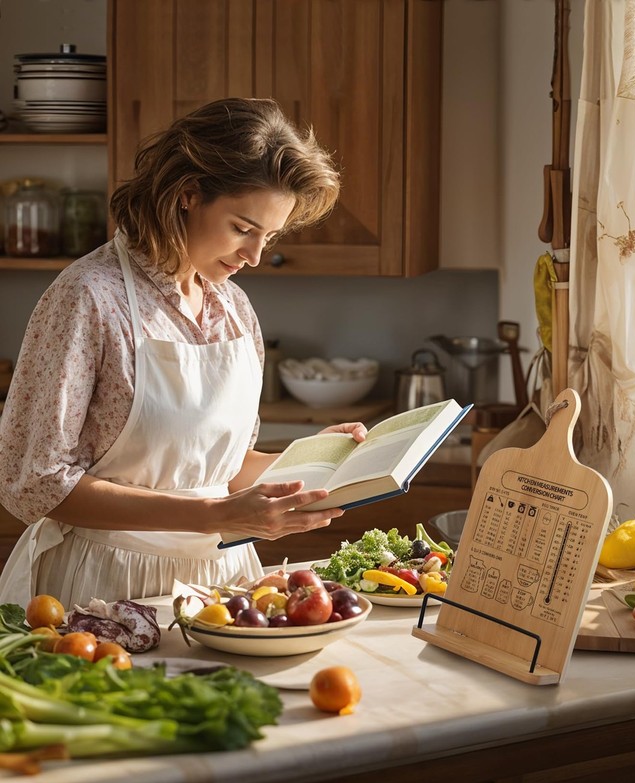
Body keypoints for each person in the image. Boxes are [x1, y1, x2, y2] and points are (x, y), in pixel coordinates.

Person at [0, 98, 366, 610]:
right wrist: (215, 517)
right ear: (187, 194)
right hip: (106, 584)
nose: (255, 256)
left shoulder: (233, 308)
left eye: (269, 237)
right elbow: (35, 485)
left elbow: (218, 471)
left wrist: (312, 459)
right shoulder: (88, 297)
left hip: (222, 584)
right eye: (243, 228)